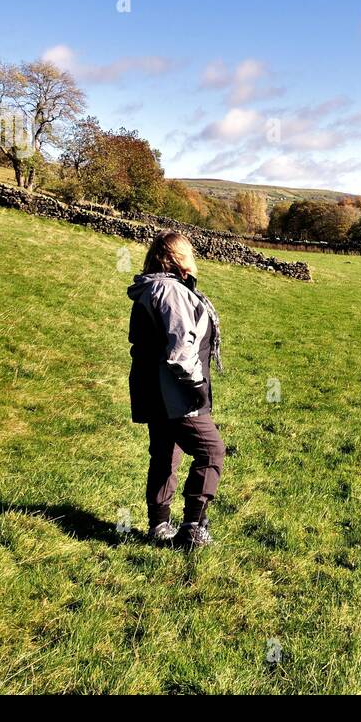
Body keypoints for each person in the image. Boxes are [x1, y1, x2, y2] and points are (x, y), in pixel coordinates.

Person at [127, 230, 225, 549]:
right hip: (174, 393)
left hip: (153, 391)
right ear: (178, 258)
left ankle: (159, 525)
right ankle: (193, 527)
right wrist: (195, 386)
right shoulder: (170, 291)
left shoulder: (151, 288)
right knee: (212, 451)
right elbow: (181, 348)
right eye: (190, 254)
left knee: (166, 455)